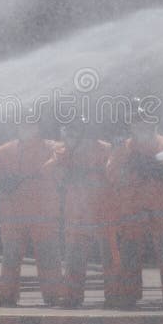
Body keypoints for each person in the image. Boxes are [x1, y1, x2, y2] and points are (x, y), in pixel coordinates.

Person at [105, 98, 163, 309]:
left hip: (162, 212)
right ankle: (128, 297)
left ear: (153, 122)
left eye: (144, 120)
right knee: (129, 256)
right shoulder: (122, 149)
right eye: (136, 120)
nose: (141, 124)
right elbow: (112, 175)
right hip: (133, 212)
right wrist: (134, 171)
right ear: (131, 124)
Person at [0, 107, 62, 307]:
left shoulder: (52, 148)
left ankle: (53, 296)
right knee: (11, 258)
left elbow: (64, 157)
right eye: (23, 123)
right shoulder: (5, 151)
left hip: (42, 215)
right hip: (14, 215)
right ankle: (7, 296)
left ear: (37, 126)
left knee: (48, 257)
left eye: (30, 123)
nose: (27, 126)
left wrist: (47, 169)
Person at [43, 115, 116, 308]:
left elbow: (114, 173)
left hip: (103, 211)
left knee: (110, 256)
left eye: (74, 129)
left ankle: (116, 294)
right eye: (68, 130)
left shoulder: (104, 148)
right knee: (75, 256)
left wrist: (90, 173)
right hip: (77, 212)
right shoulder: (63, 151)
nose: (70, 133)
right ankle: (72, 296)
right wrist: (65, 161)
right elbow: (48, 172)